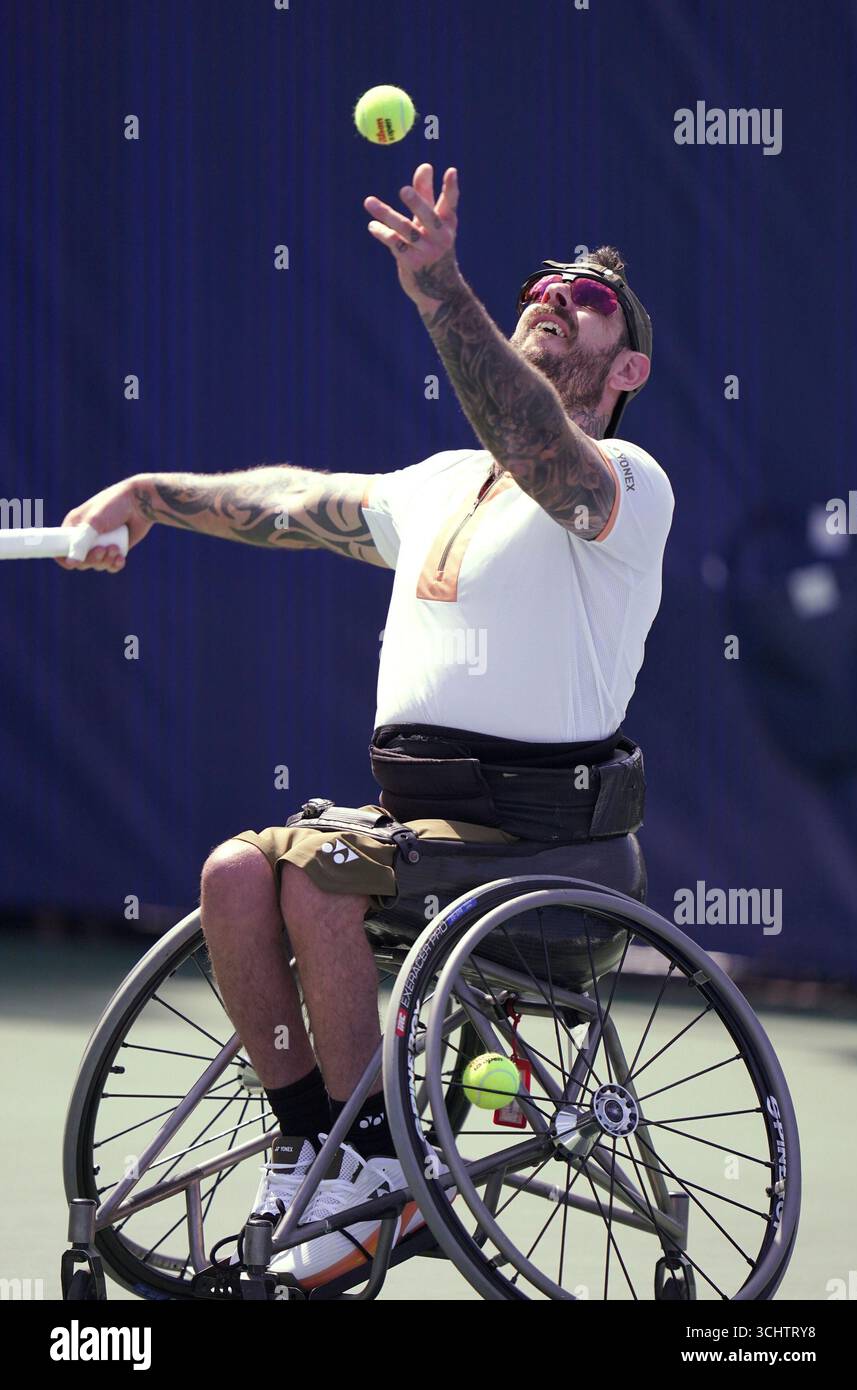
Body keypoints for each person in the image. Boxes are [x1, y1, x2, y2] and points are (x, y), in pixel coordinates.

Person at [58, 163, 674, 1289]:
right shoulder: (439, 481)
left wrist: (442, 289)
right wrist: (147, 492)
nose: (552, 295)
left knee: (317, 872)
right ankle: (315, 1146)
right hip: (418, 829)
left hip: (551, 847)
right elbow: (293, 501)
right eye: (540, 284)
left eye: (584, 300)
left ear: (626, 365)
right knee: (238, 874)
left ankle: (384, 1168)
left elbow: (538, 442)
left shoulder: (625, 481)